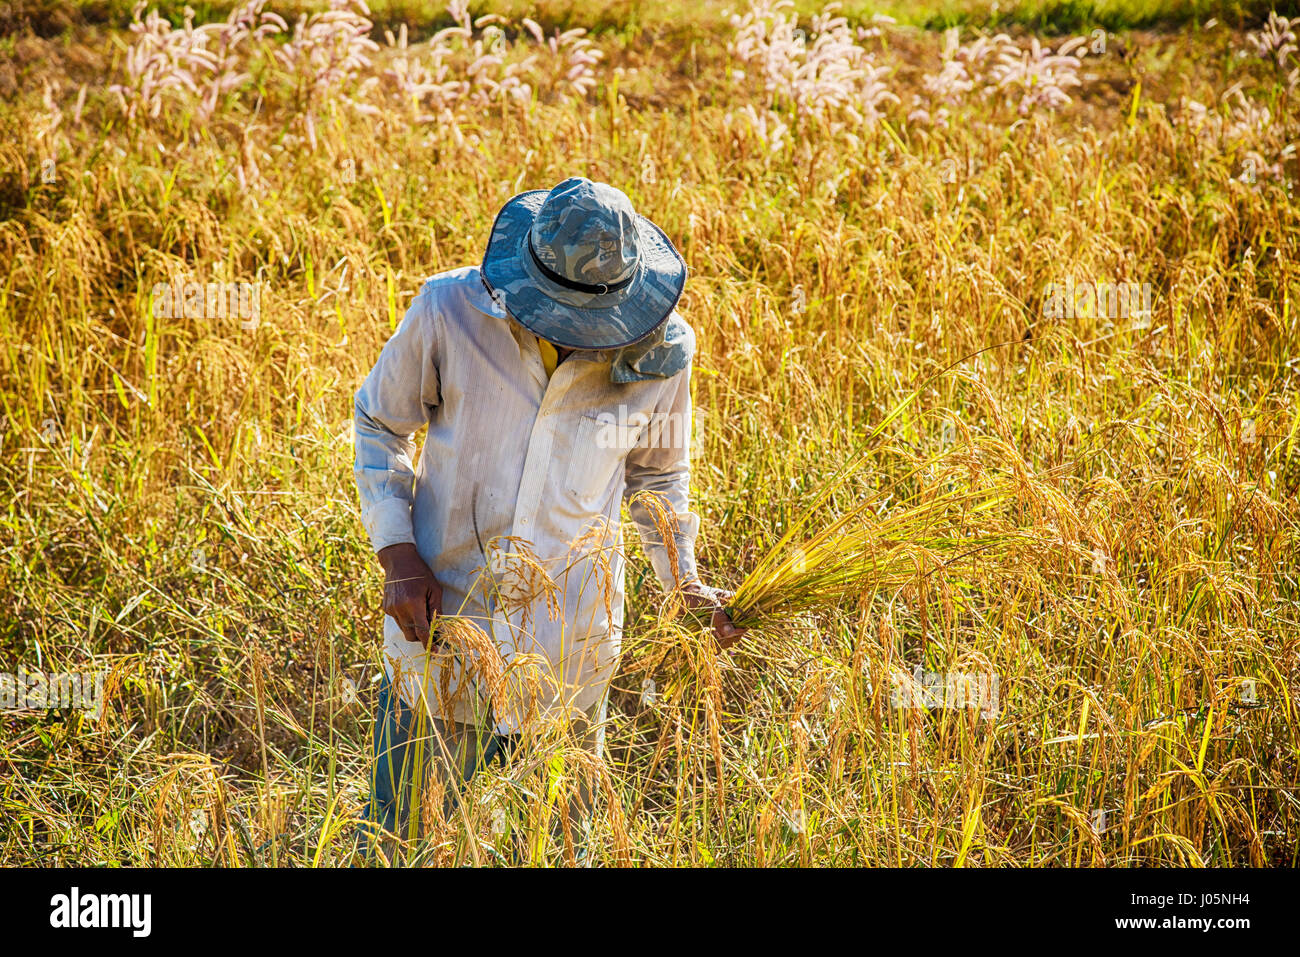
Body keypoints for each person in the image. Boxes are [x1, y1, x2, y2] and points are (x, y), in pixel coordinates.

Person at [352, 176, 745, 862]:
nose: (568, 333)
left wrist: (685, 581)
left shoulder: (660, 353)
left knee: (556, 849)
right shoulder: (449, 310)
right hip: (447, 630)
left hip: (569, 650)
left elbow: (658, 476)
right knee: (399, 841)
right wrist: (398, 554)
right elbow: (379, 423)